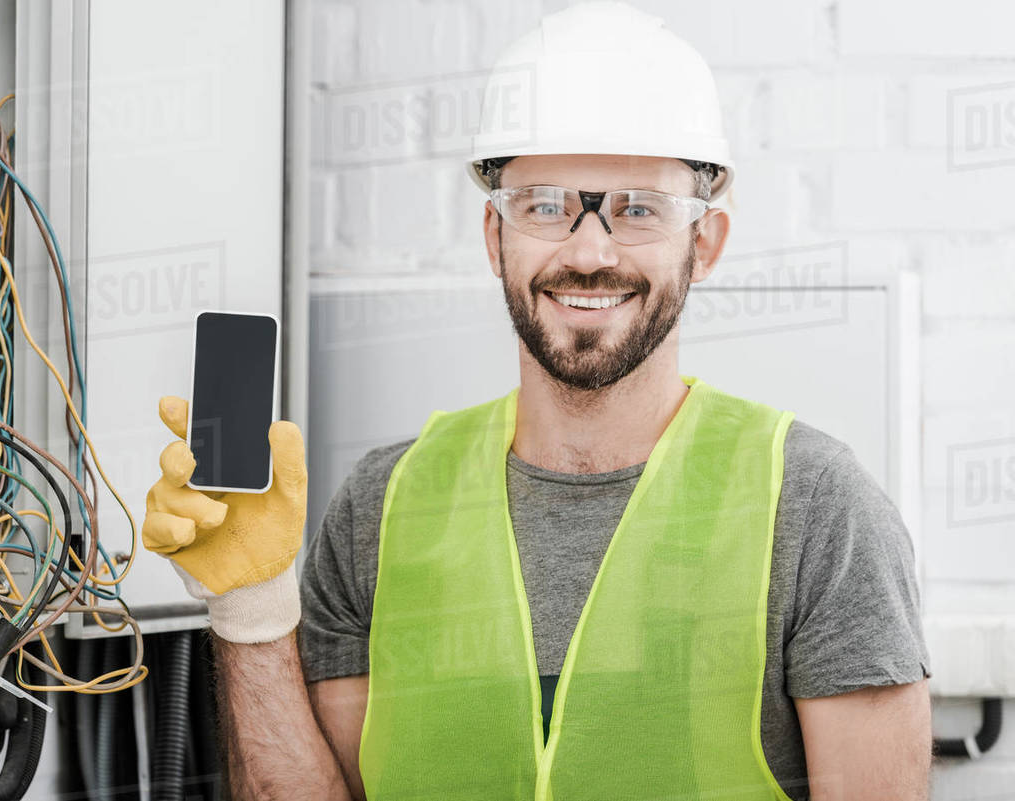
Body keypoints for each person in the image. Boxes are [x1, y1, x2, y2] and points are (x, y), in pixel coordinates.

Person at [142, 3, 932, 799]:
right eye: (546, 205)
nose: (589, 251)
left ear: (706, 242)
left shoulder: (818, 512)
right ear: (495, 237)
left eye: (639, 209)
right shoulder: (380, 511)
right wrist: (251, 613)